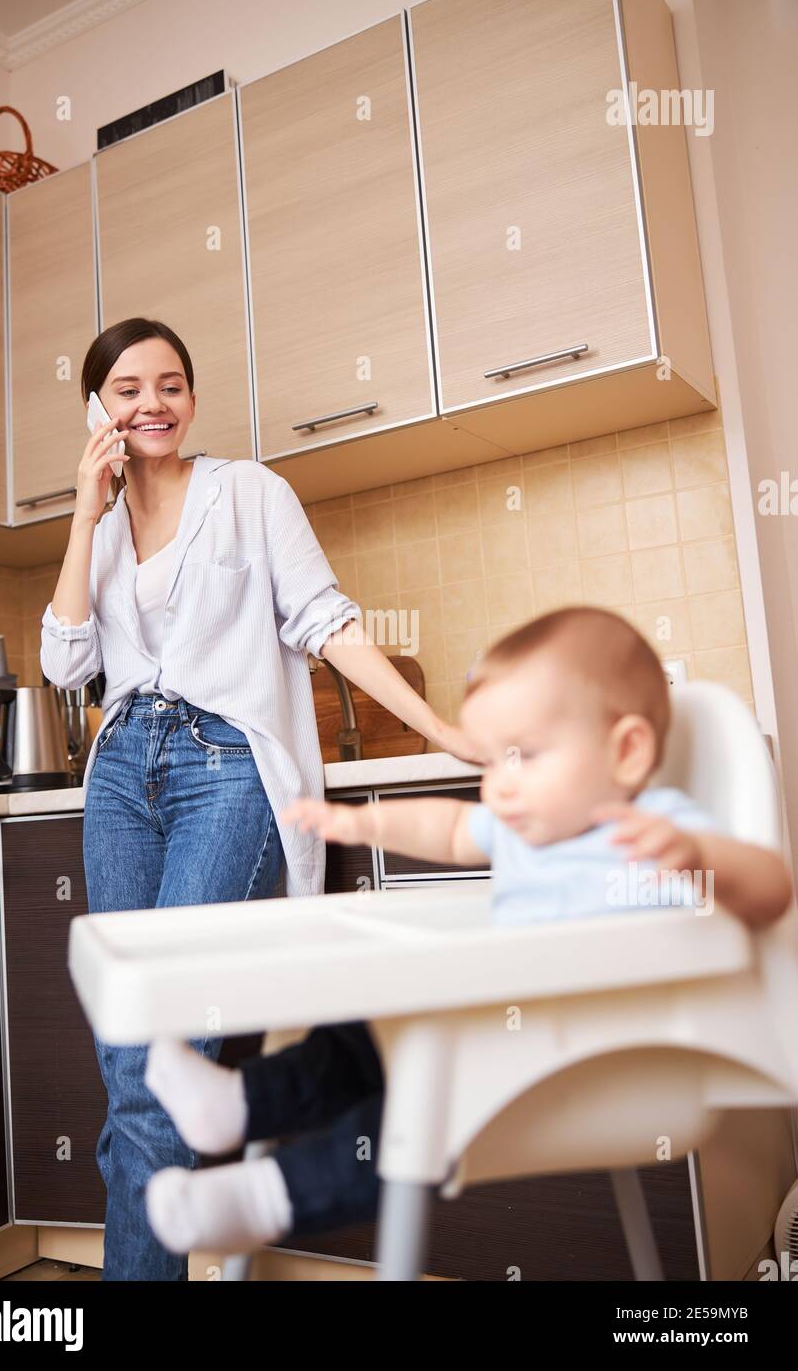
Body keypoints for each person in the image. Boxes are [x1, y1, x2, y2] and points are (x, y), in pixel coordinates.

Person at [140, 606, 793, 1259]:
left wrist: (700, 858)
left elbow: (771, 889)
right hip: (496, 1031)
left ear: (625, 753)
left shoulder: (656, 828)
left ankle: (263, 1198)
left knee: (407, 1113)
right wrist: (366, 826)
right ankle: (241, 1103)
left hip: (590, 1068)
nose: (499, 786)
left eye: (523, 756)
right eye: (492, 762)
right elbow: (450, 829)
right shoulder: (524, 826)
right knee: (361, 1035)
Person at [39, 316, 480, 1281]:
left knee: (160, 1059)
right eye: (126, 389)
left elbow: (327, 621)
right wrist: (83, 510)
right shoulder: (103, 535)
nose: (151, 403)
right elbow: (65, 660)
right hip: (119, 781)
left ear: (192, 398)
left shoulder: (251, 493)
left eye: (170, 385)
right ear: (96, 409)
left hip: (223, 765)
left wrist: (443, 728)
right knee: (131, 1063)